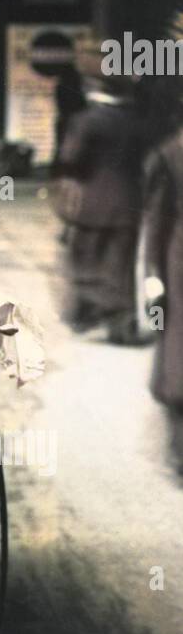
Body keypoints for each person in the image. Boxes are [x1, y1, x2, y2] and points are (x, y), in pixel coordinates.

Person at [52, 72, 149, 343]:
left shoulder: (86, 121)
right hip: (130, 202)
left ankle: (86, 311)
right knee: (121, 261)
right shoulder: (140, 123)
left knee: (87, 256)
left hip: (92, 202)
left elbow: (71, 159)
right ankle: (120, 317)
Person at [142, 117, 183, 469]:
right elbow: (158, 218)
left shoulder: (172, 151)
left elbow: (157, 220)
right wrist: (153, 275)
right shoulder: (172, 154)